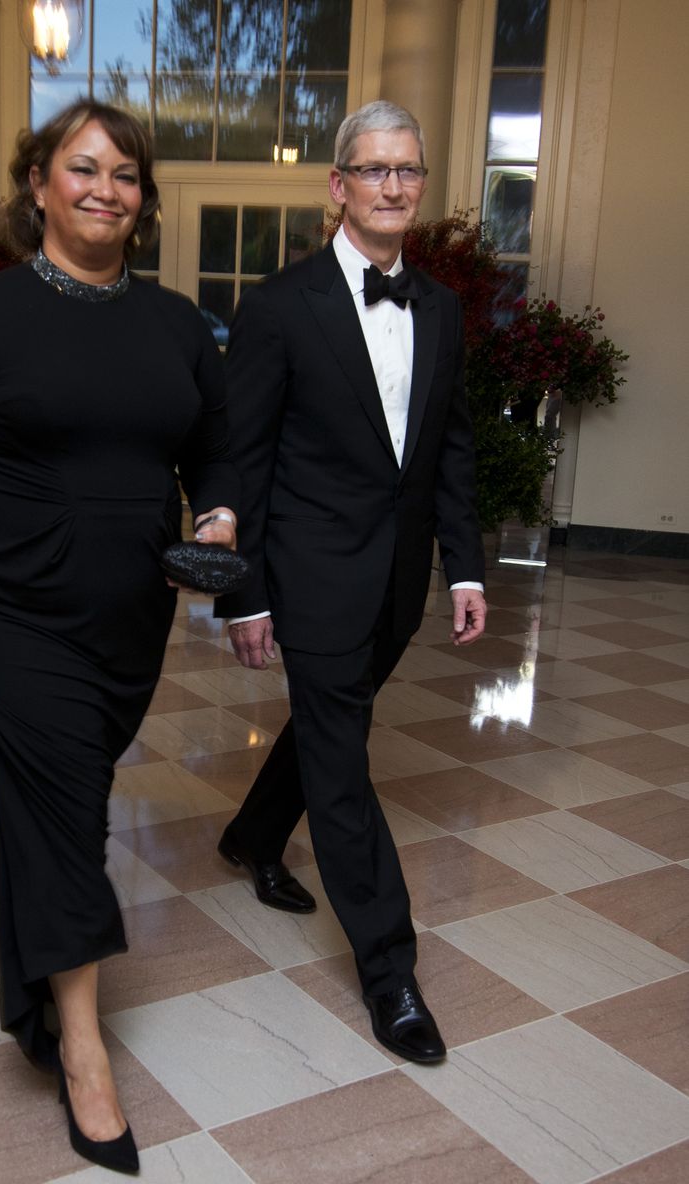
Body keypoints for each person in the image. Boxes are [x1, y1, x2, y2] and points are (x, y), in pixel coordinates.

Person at [0, 100, 239, 1174]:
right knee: (67, 826)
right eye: (81, 168)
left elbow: (215, 463)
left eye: (125, 173)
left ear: (143, 198)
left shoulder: (178, 323)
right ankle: (84, 1052)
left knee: (61, 814)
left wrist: (218, 521)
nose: (104, 188)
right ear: (36, 182)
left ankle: (30, 996)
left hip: (129, 621)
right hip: (10, 614)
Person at [214, 99, 487, 1064]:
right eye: (374, 170)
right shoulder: (282, 306)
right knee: (343, 768)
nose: (394, 187)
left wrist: (466, 568)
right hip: (313, 577)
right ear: (338, 185)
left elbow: (448, 450)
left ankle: (251, 834)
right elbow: (240, 462)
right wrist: (242, 592)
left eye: (408, 170)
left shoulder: (442, 307)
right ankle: (390, 971)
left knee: (330, 723)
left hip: (400, 582)